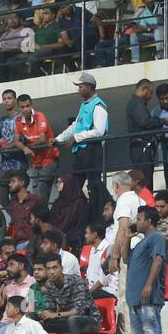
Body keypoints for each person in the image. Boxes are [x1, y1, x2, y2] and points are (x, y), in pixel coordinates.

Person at [52, 72, 109, 222]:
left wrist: (76, 138)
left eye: (81, 86)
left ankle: (97, 215)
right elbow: (76, 125)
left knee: (94, 183)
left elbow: (99, 131)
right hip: (81, 150)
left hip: (92, 149)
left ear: (90, 87)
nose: (78, 89)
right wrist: (58, 138)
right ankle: (78, 214)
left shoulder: (98, 105)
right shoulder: (85, 105)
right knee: (76, 185)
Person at [123, 206, 167, 334]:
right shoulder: (140, 242)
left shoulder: (156, 237)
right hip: (134, 297)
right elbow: (126, 258)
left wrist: (148, 284)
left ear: (149, 222)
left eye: (139, 219)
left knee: (151, 330)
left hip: (148, 295)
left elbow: (158, 260)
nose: (136, 222)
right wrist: (127, 239)